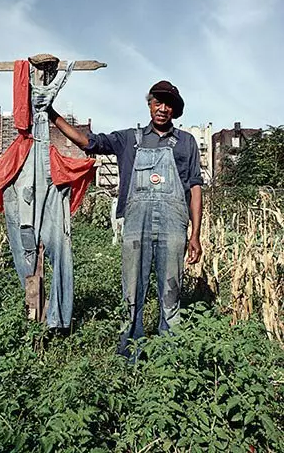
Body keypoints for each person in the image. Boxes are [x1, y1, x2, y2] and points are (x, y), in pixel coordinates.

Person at [48, 80, 203, 358]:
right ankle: (131, 351)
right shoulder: (128, 139)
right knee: (132, 289)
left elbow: (195, 188)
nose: (162, 108)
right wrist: (52, 114)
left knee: (171, 290)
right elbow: (88, 141)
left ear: (175, 110)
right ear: (149, 104)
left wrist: (196, 235)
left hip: (174, 225)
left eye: (168, 104)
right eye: (158, 102)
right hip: (136, 224)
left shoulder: (186, 143)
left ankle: (168, 356)